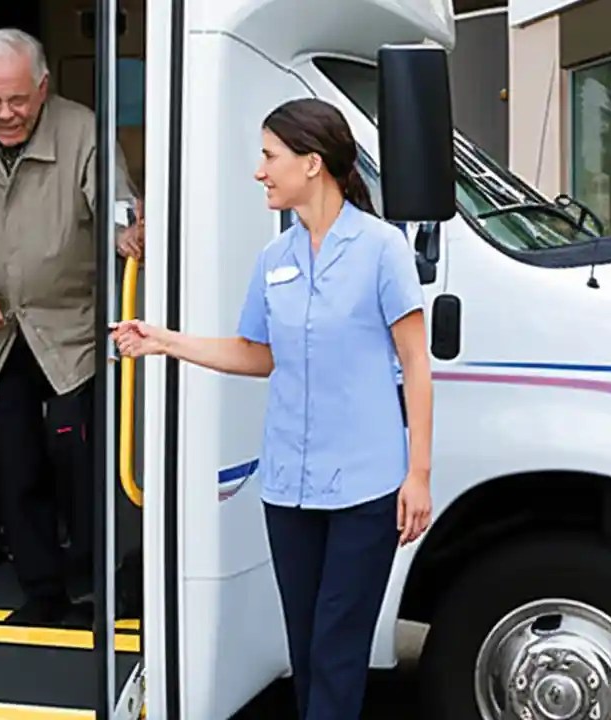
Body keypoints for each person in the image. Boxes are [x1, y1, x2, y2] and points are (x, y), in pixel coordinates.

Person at [110, 97, 433, 719]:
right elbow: (259, 354)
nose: (260, 171)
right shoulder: (275, 259)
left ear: (312, 164)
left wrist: (417, 474)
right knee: (307, 651)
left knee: (338, 650)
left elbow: (416, 363)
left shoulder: (381, 249)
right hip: (288, 488)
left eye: (269, 156)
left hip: (366, 489)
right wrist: (163, 341)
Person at [0, 27, 143, 627]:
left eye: (17, 99)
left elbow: (117, 208)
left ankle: (108, 587)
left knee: (84, 465)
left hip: (76, 333)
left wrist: (127, 234)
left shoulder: (84, 133)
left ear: (42, 88)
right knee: (17, 469)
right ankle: (42, 594)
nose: (5, 113)